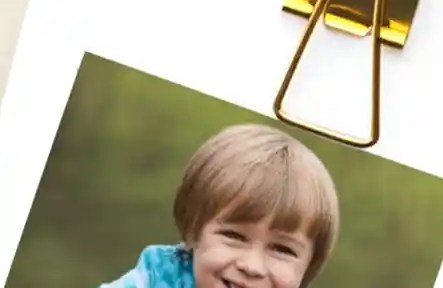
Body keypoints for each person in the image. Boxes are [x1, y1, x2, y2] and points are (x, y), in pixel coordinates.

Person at [101, 123, 341, 288]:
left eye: (283, 250)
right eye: (234, 236)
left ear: (308, 266)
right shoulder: (156, 280)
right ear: (194, 230)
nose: (251, 266)